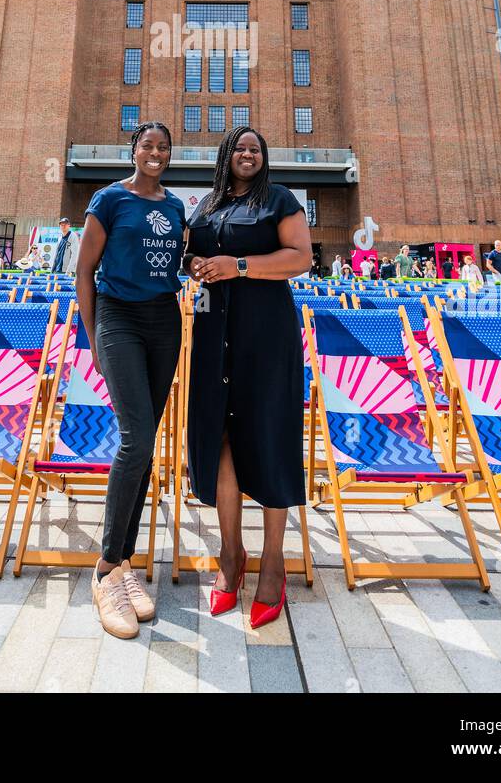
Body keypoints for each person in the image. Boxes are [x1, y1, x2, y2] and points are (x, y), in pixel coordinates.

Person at [186, 127, 312, 630]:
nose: (247, 154)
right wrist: (197, 264)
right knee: (221, 440)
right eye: (239, 148)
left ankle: (273, 563)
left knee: (270, 438)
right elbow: (190, 255)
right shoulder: (209, 205)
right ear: (226, 155)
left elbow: (300, 259)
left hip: (266, 334)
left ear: (264, 159)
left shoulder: (278, 200)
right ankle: (232, 556)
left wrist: (237, 265)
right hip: (215, 329)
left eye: (255, 149)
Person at [77, 121, 186, 641]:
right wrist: (93, 335)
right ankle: (105, 570)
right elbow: (84, 271)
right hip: (118, 318)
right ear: (134, 150)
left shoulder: (174, 206)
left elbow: (175, 266)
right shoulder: (108, 199)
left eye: (163, 147)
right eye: (147, 145)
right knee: (135, 438)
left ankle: (124, 565)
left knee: (143, 446)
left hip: (165, 323)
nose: (156, 153)